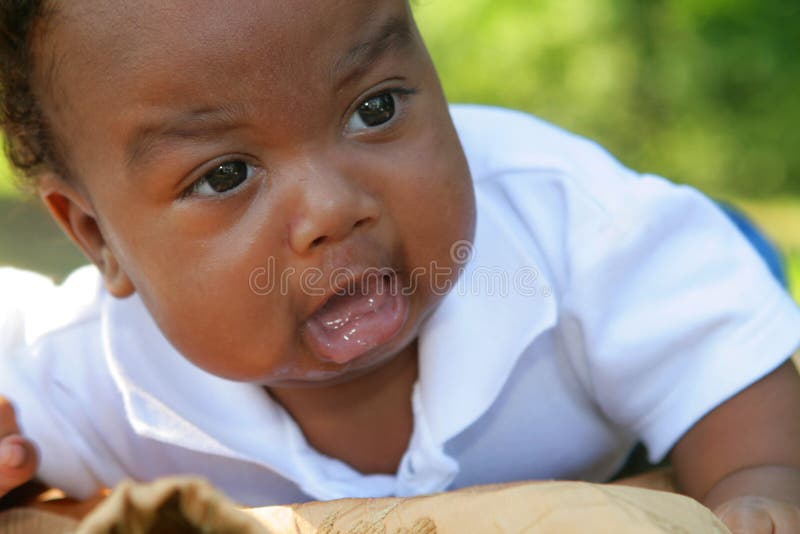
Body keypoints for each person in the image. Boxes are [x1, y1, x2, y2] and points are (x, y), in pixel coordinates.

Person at [0, 1, 798, 531]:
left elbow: (727, 369)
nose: (332, 209)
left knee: (725, 271)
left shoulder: (575, 229)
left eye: (373, 108)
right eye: (224, 175)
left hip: (682, 259)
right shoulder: (87, 367)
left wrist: (757, 482)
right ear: (99, 237)